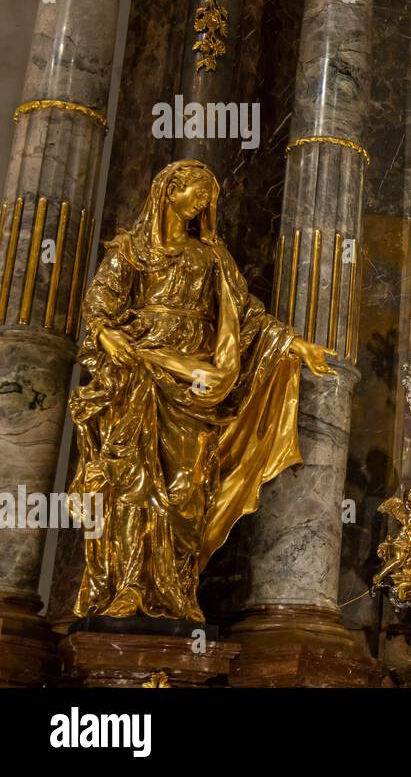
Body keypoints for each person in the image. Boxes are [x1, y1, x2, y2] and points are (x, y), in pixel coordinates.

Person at [68, 160, 332, 621]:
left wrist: (293, 342)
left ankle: (173, 589)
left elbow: (246, 314)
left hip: (196, 383)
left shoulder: (210, 257)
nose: (204, 204)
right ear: (170, 190)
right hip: (139, 377)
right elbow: (98, 307)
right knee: (132, 483)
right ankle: (129, 587)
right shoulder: (131, 250)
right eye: (197, 193)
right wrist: (108, 336)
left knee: (189, 490)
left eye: (209, 198)